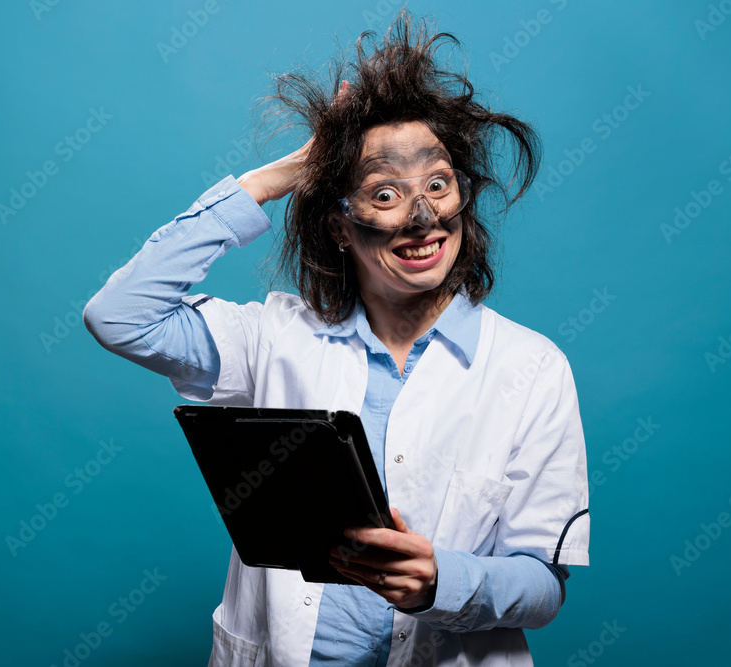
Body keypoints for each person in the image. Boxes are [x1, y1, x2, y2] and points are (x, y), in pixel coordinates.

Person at [84, 11, 589, 667]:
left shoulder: (533, 368)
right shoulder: (272, 338)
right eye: (384, 193)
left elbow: (544, 585)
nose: (422, 216)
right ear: (340, 227)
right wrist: (280, 176)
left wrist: (444, 579)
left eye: (438, 185)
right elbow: (121, 313)